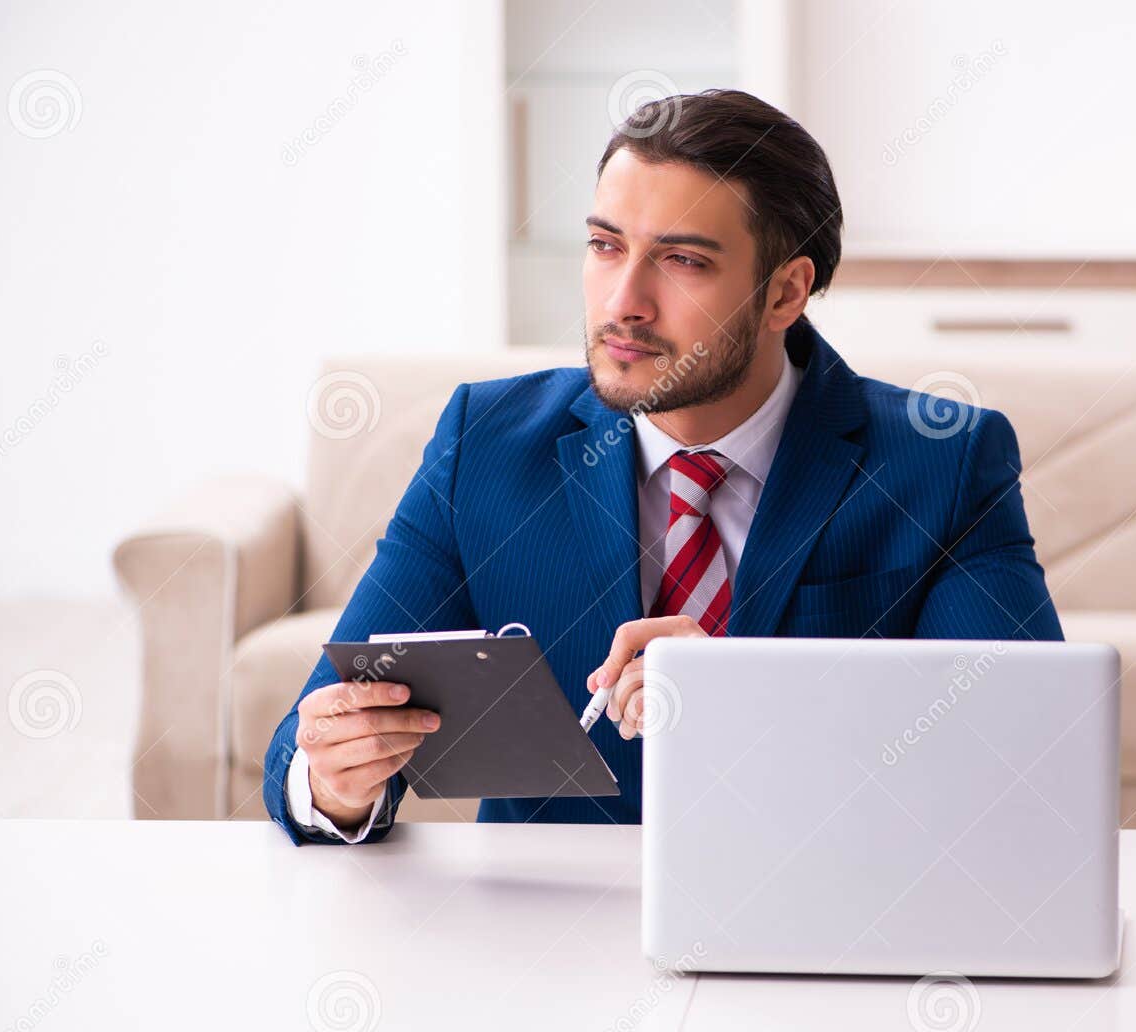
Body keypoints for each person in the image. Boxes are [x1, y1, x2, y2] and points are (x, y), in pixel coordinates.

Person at [263, 88, 1063, 845]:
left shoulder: (944, 465)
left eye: (681, 260)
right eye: (607, 246)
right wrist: (336, 783)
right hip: (543, 949)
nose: (624, 301)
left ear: (785, 293)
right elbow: (307, 741)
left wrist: (759, 710)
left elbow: (1027, 769)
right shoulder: (489, 445)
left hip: (827, 934)